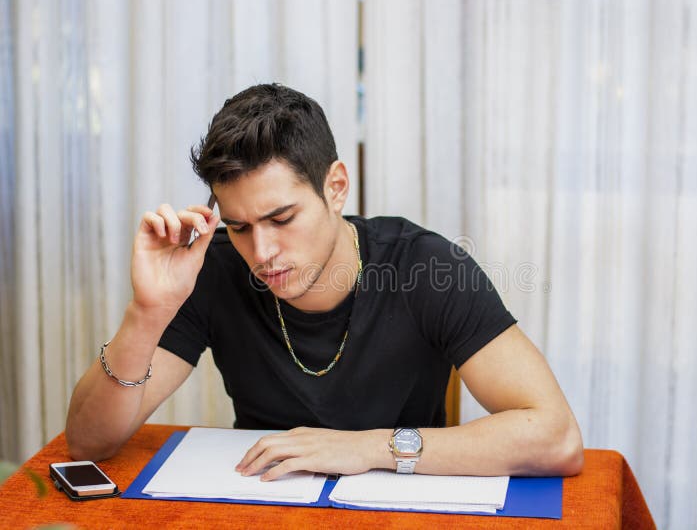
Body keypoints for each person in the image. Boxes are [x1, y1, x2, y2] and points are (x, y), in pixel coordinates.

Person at [66, 83, 583, 481]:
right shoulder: (214, 269)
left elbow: (555, 437)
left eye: (282, 218)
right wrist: (148, 311)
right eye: (239, 226)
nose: (261, 253)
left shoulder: (425, 266)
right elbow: (88, 443)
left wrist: (366, 448)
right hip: (266, 501)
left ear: (335, 187)